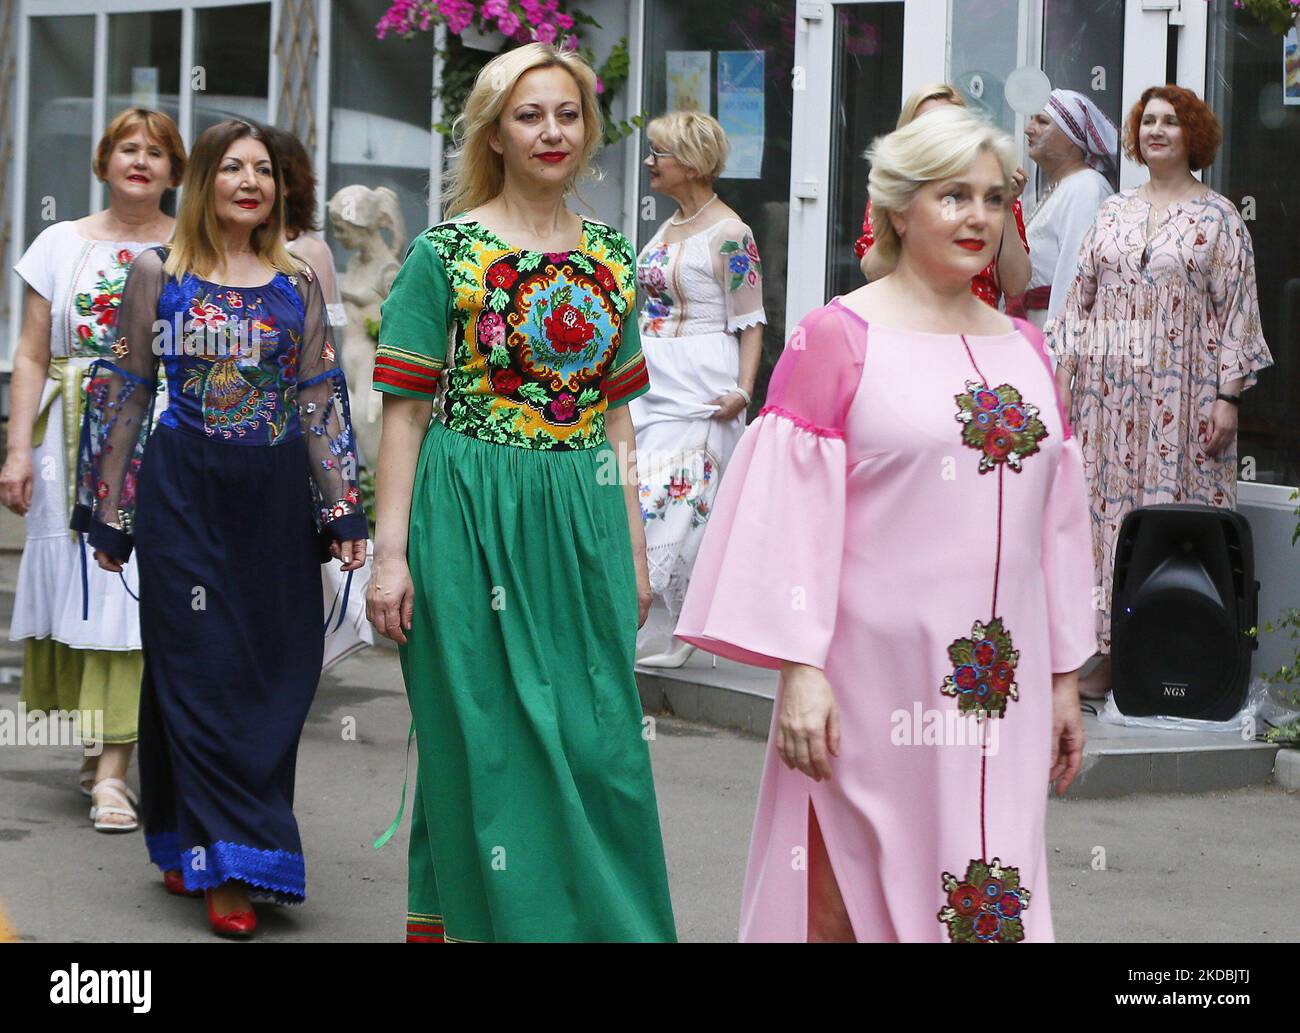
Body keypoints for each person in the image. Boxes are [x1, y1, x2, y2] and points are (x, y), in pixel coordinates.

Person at [676, 106, 1096, 942]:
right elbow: (787, 520)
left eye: (992, 197)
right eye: (952, 196)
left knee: (990, 885)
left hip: (1000, 692)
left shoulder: (1029, 350)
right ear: (900, 209)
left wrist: (1063, 681)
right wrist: (800, 668)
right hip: (870, 683)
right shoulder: (837, 336)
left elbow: (1060, 529)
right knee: (845, 893)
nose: (978, 216)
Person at [367, 42, 676, 943]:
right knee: (487, 747)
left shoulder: (615, 255)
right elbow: (405, 416)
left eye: (569, 113)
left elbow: (620, 427)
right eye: (530, 114)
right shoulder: (445, 252)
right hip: (466, 518)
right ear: (495, 133)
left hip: (581, 515)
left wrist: (636, 549)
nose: (552, 131)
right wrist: (390, 557)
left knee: (602, 746)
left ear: (589, 132)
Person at [74, 118, 367, 936]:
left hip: (272, 501)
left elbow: (317, 397)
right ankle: (233, 859)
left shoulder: (295, 277)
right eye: (233, 168)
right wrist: (109, 509)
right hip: (182, 496)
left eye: (264, 170)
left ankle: (179, 835)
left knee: (276, 670)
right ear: (204, 179)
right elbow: (125, 389)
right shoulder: (157, 271)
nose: (251, 181)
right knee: (198, 668)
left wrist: (341, 505)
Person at [1049, 85, 1272, 699]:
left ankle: (1166, 651)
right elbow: (1078, 302)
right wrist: (1064, 379)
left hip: (1187, 395)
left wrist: (1229, 397)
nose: (1156, 130)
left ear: (1192, 135)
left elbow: (1239, 316)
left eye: (1170, 121)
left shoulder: (1220, 218)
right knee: (1103, 518)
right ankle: (1098, 655)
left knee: (1173, 516)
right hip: (1107, 396)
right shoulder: (1113, 211)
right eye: (1147, 121)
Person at [0, 108, 185, 832]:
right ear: (106, 161)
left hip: (160, 435)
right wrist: (16, 449)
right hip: (67, 438)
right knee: (76, 589)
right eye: (127, 149)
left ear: (174, 172)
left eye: (157, 152)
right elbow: (31, 352)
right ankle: (97, 746)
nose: (141, 160)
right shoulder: (58, 241)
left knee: (130, 596)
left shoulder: (191, 245)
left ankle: (114, 771)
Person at [632, 111, 764, 668]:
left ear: (688, 161)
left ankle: (687, 630)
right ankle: (673, 626)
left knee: (678, 501)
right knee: (640, 495)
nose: (648, 162)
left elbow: (753, 319)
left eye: (658, 152)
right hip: (652, 376)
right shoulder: (673, 224)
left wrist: (743, 389)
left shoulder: (732, 233)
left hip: (701, 381)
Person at [267, 126, 373, 671]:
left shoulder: (308, 251)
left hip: (300, 411)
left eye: (268, 171)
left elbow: (326, 346)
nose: (255, 184)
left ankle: (299, 653)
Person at [855, 83, 1030, 307]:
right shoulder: (899, 189)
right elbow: (875, 271)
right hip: (911, 321)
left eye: (948, 126)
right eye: (926, 128)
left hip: (976, 328)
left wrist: (1004, 205)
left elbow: (1015, 284)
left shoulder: (989, 187)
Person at [1018, 90, 1116, 330]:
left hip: (1056, 340)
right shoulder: (1058, 189)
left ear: (1072, 136)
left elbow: (1078, 279)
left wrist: (1062, 355)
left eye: (1042, 121)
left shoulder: (1087, 187)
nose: (1028, 128)